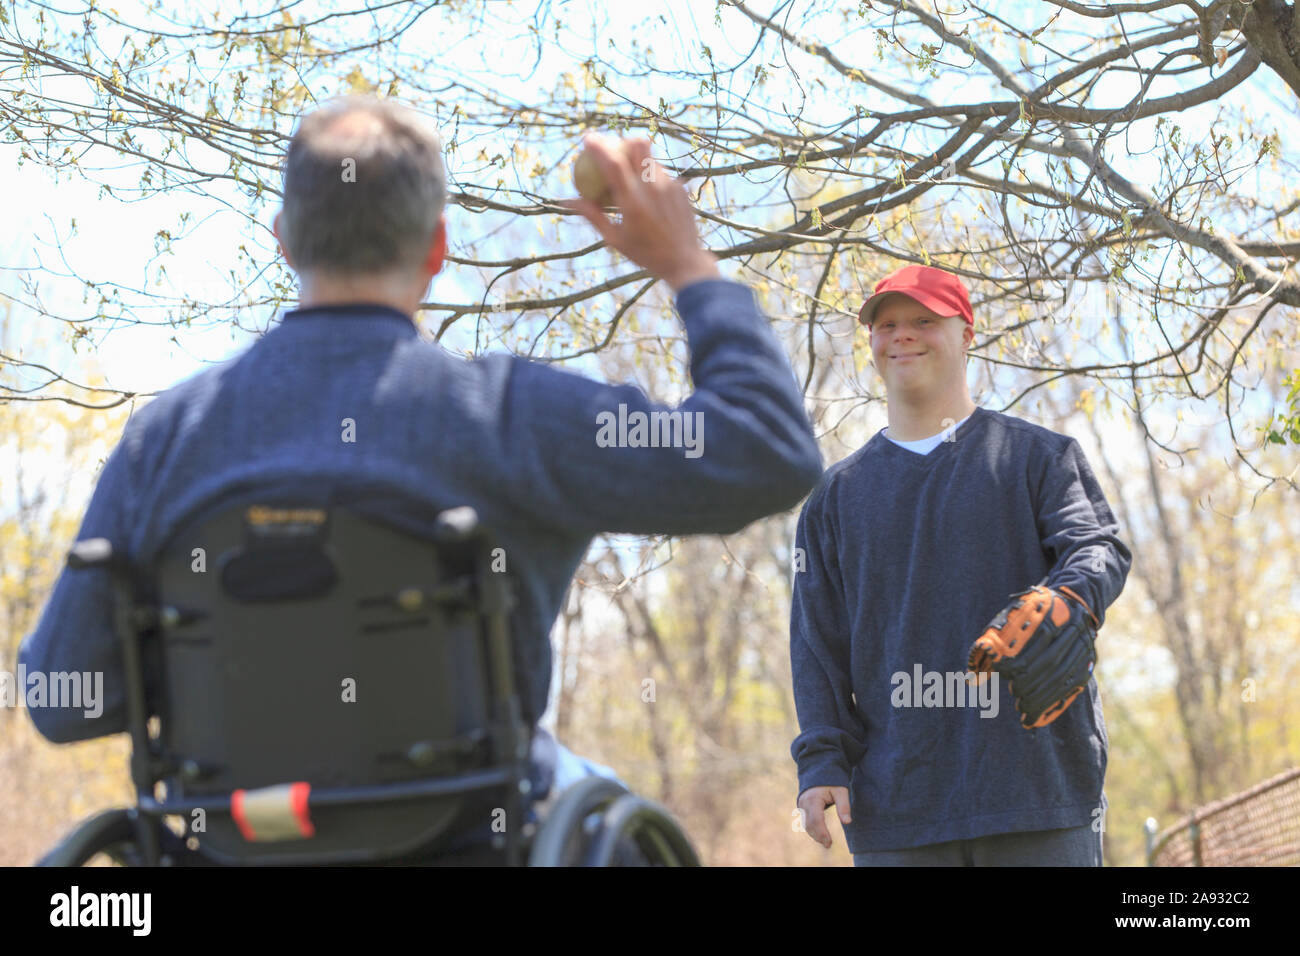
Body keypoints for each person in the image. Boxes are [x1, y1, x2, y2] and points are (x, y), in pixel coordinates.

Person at [18, 96, 824, 857]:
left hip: (236, 846)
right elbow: (766, 452)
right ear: (438, 247)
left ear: (284, 239)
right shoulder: (507, 416)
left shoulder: (165, 440)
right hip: (475, 840)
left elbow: (62, 700)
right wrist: (687, 265)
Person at [789, 264, 1132, 866]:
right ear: (870, 341)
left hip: (1039, 793)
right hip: (897, 811)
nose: (903, 335)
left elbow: (1096, 545)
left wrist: (1070, 598)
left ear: (966, 334)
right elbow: (817, 645)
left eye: (924, 320)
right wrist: (821, 761)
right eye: (887, 323)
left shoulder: (1038, 458)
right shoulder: (834, 499)